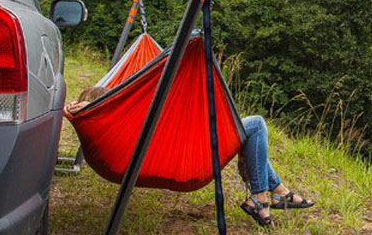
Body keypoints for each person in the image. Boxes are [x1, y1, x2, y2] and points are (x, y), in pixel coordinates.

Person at [68, 88, 312, 225]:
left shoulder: (117, 126)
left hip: (183, 149)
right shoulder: (121, 123)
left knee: (248, 133)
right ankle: (262, 197)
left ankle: (278, 192)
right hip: (191, 154)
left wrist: (82, 111)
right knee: (256, 125)